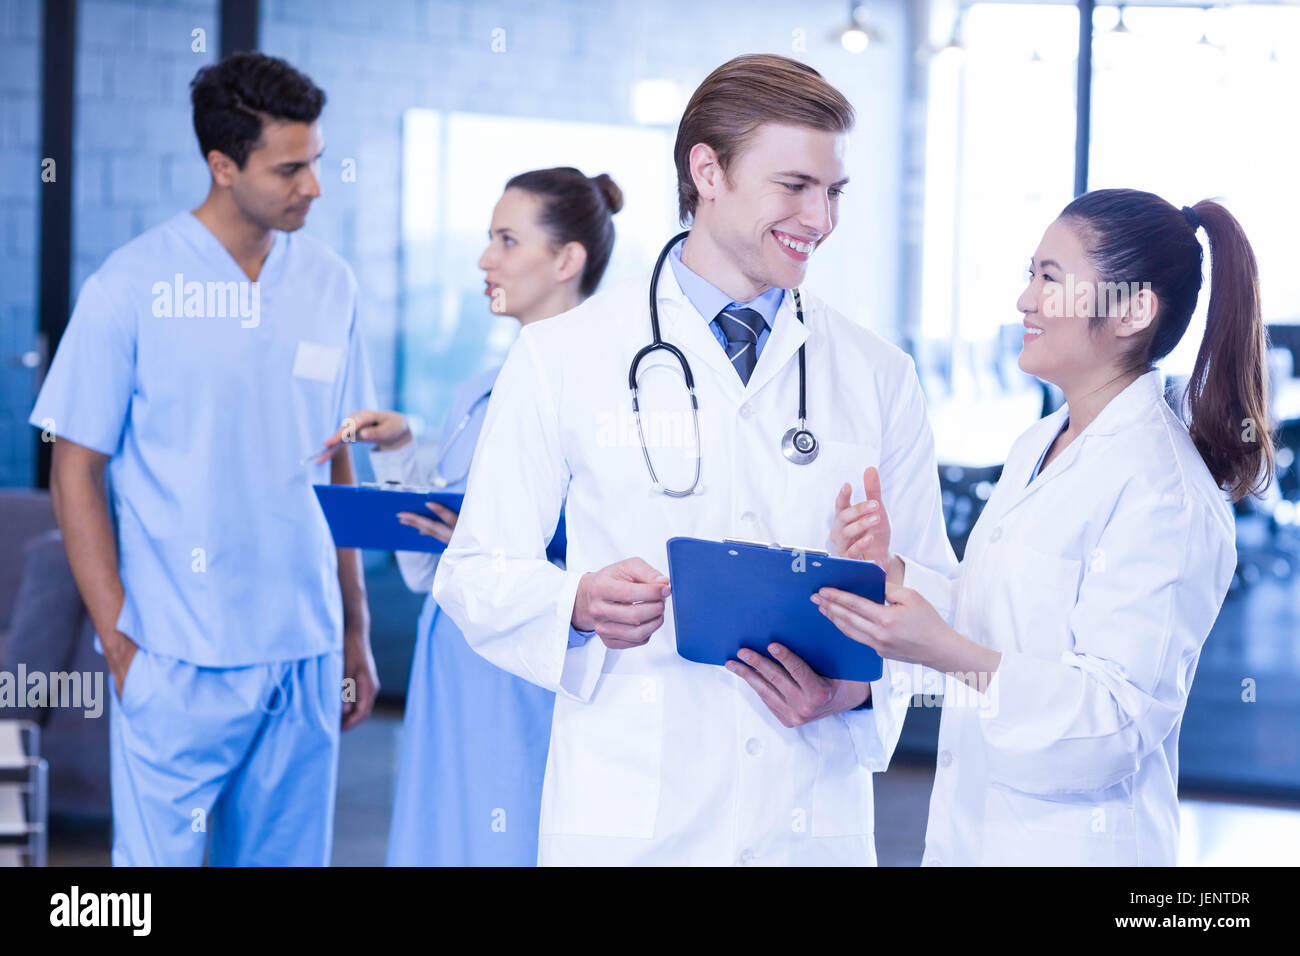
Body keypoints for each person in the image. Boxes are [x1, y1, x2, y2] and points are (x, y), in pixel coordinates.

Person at [431, 54, 957, 866]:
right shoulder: (563, 355)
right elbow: (475, 570)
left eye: (834, 191)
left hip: (805, 814)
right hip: (632, 810)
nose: (821, 218)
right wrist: (577, 602)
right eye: (795, 186)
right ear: (707, 172)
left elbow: (938, 589)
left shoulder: (878, 374)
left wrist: (857, 690)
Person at [816, 189, 1273, 866]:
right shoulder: (1041, 442)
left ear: (1132, 312)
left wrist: (943, 651)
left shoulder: (1163, 491)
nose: (1025, 300)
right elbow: (997, 618)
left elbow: (1114, 722)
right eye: (1030, 274)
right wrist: (896, 575)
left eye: (1050, 279)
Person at [28, 52, 378, 866]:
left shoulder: (331, 283)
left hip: (305, 650)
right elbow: (74, 468)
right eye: (288, 169)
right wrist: (122, 645)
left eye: (316, 161)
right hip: (176, 657)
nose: (313, 186)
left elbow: (340, 459)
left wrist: (354, 627)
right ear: (223, 166)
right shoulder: (130, 285)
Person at [318, 168, 624, 865]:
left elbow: (624, 553)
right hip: (452, 654)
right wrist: (399, 453)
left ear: (567, 260)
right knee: (443, 834)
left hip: (528, 661)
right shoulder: (478, 393)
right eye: (490, 238)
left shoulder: (606, 393)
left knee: (513, 833)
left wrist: (501, 544)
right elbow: (428, 571)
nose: (486, 259)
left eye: (507, 240)